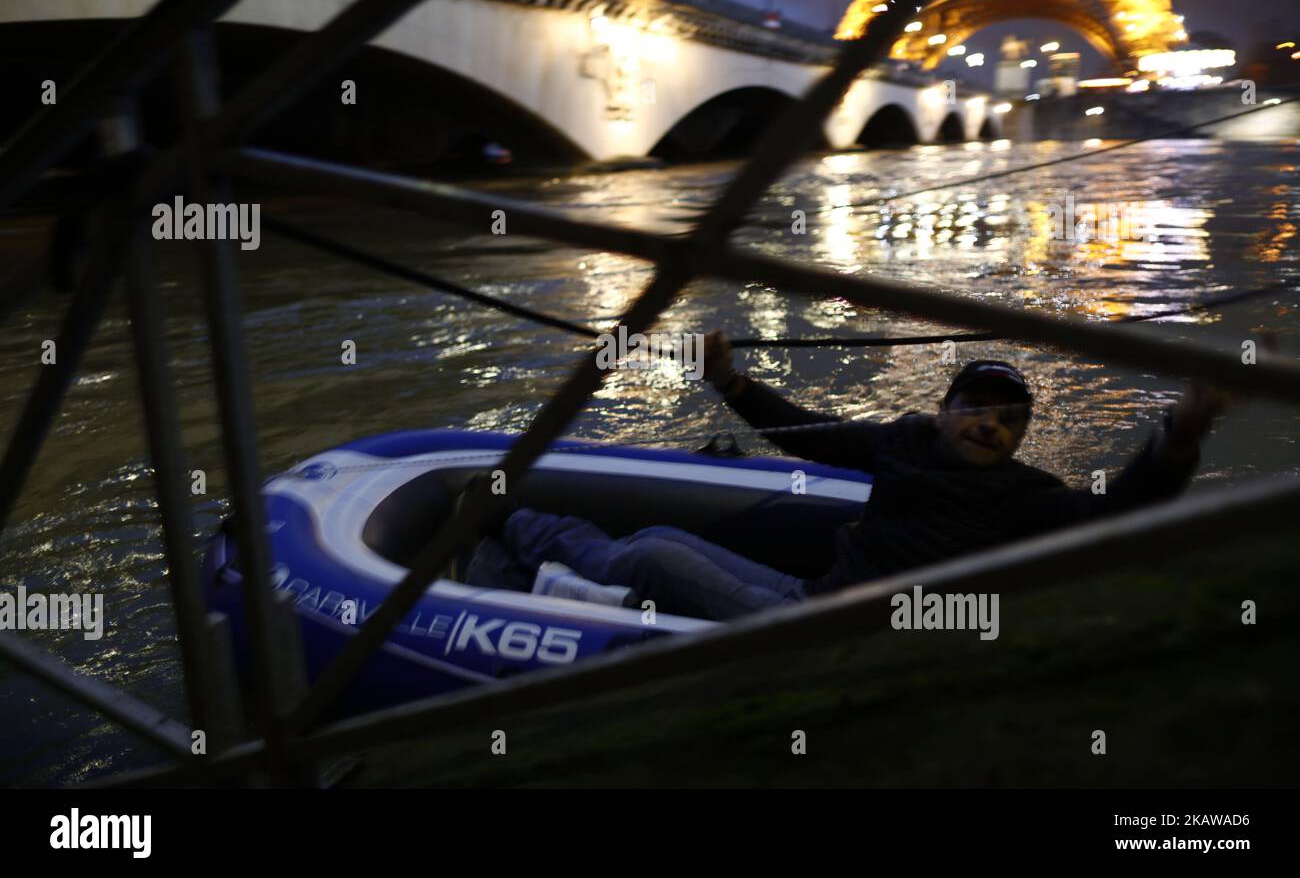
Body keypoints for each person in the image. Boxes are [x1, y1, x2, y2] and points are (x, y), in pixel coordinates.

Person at [466, 330, 1225, 621]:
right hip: (816, 593)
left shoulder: (1028, 499)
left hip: (839, 626)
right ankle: (524, 533)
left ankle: (506, 525)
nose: (992, 424)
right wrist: (727, 381)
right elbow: (813, 435)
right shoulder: (903, 443)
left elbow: (1120, 510)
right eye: (977, 409)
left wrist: (1178, 435)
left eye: (1009, 419)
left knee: (652, 554)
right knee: (660, 532)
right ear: (943, 412)